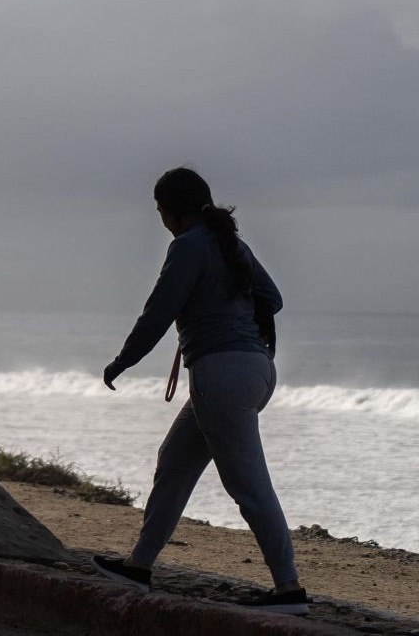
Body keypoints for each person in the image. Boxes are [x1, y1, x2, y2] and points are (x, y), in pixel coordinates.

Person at [91, 168, 308, 615]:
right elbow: (274, 298)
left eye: (160, 211)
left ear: (173, 210)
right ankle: (139, 564)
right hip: (257, 369)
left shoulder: (187, 246)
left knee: (248, 484)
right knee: (174, 461)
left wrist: (122, 362)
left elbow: (157, 313)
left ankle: (289, 590)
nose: (160, 220)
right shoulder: (232, 245)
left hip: (221, 375)